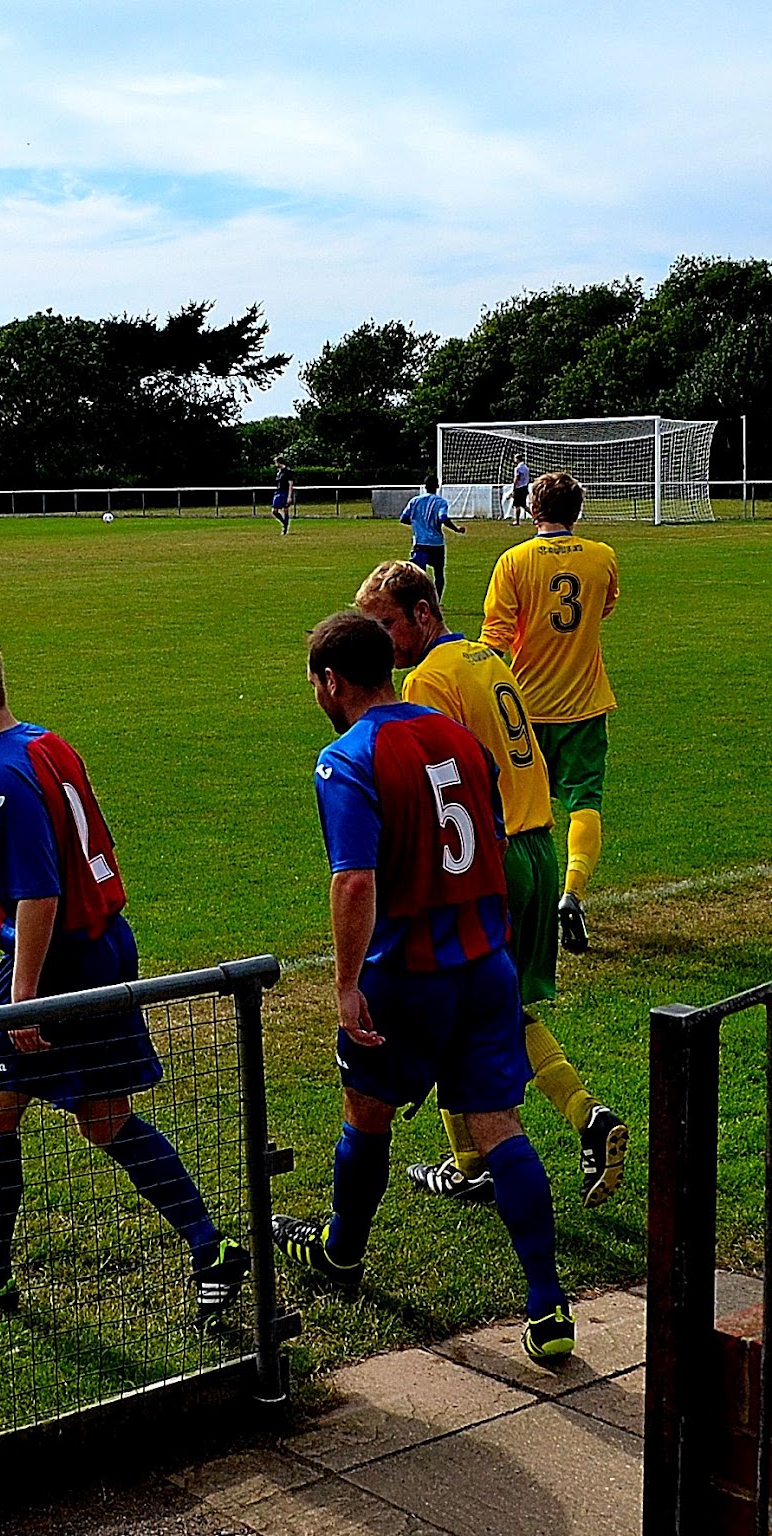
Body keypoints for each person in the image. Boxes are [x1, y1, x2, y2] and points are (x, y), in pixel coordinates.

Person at [0, 624, 248, 1326]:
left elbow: (40, 891)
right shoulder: (45, 743)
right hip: (106, 946)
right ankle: (210, 1247)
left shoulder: (0, 774)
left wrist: (22, 998)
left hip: (56, 963)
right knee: (103, 1118)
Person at [274, 610, 574, 1362]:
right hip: (484, 966)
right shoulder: (459, 738)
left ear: (332, 681)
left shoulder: (346, 758)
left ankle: (342, 1251)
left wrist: (346, 986)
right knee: (498, 1124)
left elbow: (354, 882)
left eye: (315, 682)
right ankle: (548, 1304)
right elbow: (494, 839)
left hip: (407, 975)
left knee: (365, 1115)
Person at [355, 561, 627, 1208]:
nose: (383, 642)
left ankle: (557, 1127)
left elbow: (435, 775)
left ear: (423, 614)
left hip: (491, 856)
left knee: (455, 1006)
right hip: (536, 847)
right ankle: (482, 1155)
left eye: (388, 624)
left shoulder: (426, 679)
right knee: (494, 1008)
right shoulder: (484, 655)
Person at [481, 471, 619, 954]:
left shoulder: (513, 560)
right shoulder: (602, 557)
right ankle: (573, 894)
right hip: (584, 704)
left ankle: (517, 910)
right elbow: (604, 607)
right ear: (576, 511)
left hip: (524, 708)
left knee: (519, 813)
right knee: (585, 800)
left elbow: (495, 638)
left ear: (532, 510)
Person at [398, 475, 466, 599]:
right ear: (437, 486)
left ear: (424, 487)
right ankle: (436, 601)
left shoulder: (415, 501)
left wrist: (417, 524)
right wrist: (456, 529)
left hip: (420, 543)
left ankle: (418, 599)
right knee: (438, 573)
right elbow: (443, 518)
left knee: (418, 574)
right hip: (436, 544)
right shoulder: (441, 502)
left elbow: (403, 518)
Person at [271, 458, 295, 535]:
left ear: (279, 463)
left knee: (285, 510)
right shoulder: (278, 472)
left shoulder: (288, 472)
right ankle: (284, 523)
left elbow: (290, 484)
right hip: (278, 492)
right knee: (274, 511)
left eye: (276, 463)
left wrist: (289, 496)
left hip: (285, 492)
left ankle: (285, 528)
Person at [510, 453, 531, 525]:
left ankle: (517, 521)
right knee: (523, 505)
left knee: (517, 505)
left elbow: (517, 478)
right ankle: (536, 517)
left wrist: (514, 488)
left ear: (517, 459)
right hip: (525, 487)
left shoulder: (518, 468)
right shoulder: (526, 468)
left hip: (519, 488)